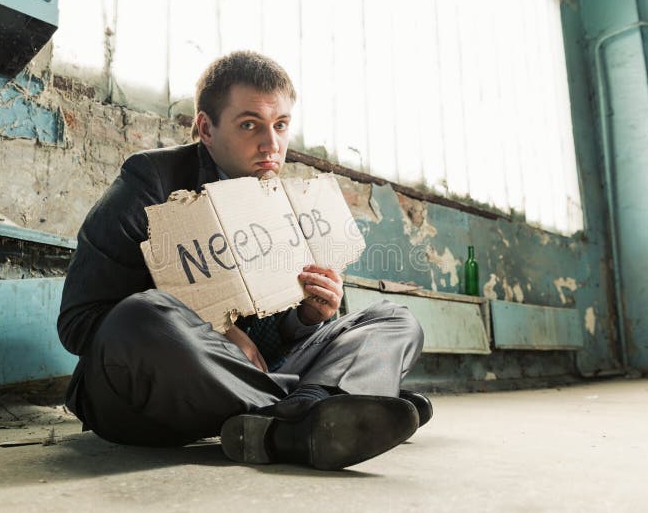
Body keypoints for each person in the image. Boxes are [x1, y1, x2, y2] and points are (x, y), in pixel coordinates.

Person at [57, 51, 431, 471]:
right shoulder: (150, 182)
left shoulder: (287, 200)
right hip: (156, 390)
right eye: (250, 124)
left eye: (281, 125)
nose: (272, 145)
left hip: (246, 386)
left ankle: (290, 421)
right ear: (206, 128)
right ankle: (322, 404)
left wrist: (309, 318)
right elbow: (77, 324)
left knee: (396, 320)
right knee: (143, 316)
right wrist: (212, 329)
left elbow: (280, 337)